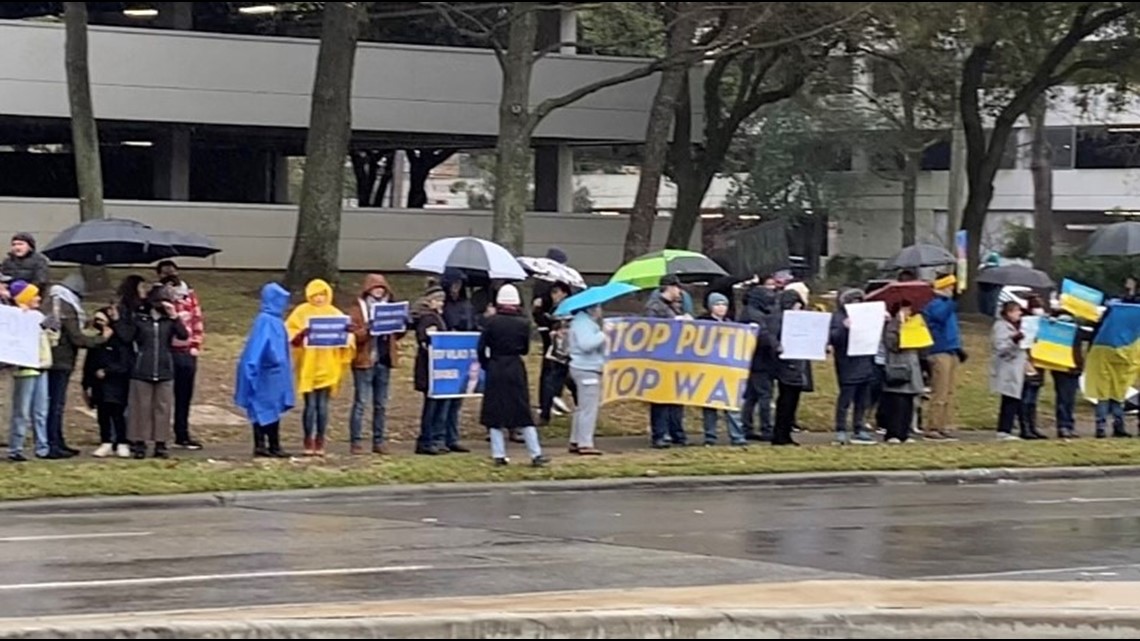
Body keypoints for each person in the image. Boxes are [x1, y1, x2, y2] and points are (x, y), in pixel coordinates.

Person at [115, 284, 188, 459]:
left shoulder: (169, 321)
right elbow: (127, 336)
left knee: (162, 407)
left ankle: (161, 443)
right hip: (142, 368)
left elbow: (183, 335)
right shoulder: (140, 318)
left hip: (164, 368)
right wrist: (118, 320)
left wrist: (174, 316)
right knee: (141, 407)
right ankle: (139, 442)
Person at [478, 284, 548, 467]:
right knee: (522, 410)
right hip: (515, 367)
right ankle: (535, 454)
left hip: (495, 366)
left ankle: (498, 454)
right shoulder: (524, 323)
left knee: (495, 412)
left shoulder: (490, 322)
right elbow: (525, 349)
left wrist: (487, 365)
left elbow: (480, 348)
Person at [285, 279, 355, 457]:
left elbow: (347, 340)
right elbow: (289, 335)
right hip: (308, 366)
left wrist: (348, 332)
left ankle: (320, 439)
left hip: (328, 365)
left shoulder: (334, 313)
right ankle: (308, 438)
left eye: (322, 294)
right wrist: (301, 335)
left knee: (323, 406)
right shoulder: (301, 312)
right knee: (310, 405)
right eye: (315, 295)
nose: (318, 298)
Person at [47, 273, 108, 459]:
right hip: (62, 361)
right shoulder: (67, 308)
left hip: (49, 358)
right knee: (56, 404)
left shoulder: (51, 302)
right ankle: (54, 443)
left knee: (50, 404)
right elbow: (77, 338)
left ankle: (54, 441)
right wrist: (102, 338)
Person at [346, 274, 405, 455]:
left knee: (381, 404)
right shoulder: (358, 309)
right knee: (361, 402)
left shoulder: (390, 307)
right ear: (368, 290)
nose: (379, 291)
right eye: (375, 288)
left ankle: (378, 441)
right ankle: (356, 441)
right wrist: (370, 328)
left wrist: (400, 326)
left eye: (382, 288)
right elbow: (354, 334)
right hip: (364, 361)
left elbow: (396, 336)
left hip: (383, 360)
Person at [234, 283, 294, 458]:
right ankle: (263, 445)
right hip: (266, 372)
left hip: (275, 373)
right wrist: (264, 363)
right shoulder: (266, 321)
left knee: (271, 407)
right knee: (263, 407)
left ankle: (272, 444)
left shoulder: (273, 321)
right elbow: (259, 348)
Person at [157, 262, 205, 451]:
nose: (170, 276)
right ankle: (159, 435)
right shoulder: (158, 296)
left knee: (184, 395)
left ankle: (182, 433)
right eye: (165, 273)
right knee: (162, 397)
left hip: (186, 352)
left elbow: (197, 320)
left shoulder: (189, 295)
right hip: (166, 352)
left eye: (172, 272)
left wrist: (195, 345)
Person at [7, 281, 58, 462]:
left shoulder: (37, 316)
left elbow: (50, 342)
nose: (38, 298)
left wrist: (51, 330)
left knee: (40, 410)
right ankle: (16, 448)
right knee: (22, 410)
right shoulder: (14, 318)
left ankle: (42, 447)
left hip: (41, 366)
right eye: (34, 295)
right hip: (25, 369)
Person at [81, 306, 132, 459]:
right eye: (96, 320)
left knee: (118, 413)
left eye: (102, 320)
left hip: (117, 383)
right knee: (102, 414)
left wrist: (108, 371)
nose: (99, 323)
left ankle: (122, 442)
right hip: (98, 385)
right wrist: (86, 385)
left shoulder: (120, 341)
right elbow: (88, 364)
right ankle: (106, 442)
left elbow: (125, 363)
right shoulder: (96, 342)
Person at [646, 274, 688, 448]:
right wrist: (674, 322)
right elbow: (651, 330)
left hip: (675, 358)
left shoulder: (674, 307)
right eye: (677, 287)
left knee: (676, 398)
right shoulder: (654, 307)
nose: (680, 291)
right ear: (669, 287)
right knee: (661, 399)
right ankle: (660, 434)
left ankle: (676, 433)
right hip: (660, 359)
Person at [829, 288, 877, 445]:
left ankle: (859, 427)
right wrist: (844, 328)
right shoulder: (838, 317)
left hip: (865, 361)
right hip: (847, 363)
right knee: (845, 399)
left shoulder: (867, 316)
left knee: (862, 400)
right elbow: (833, 338)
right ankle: (841, 428)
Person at [699, 292, 747, 447]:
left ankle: (737, 436)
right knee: (709, 408)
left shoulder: (731, 323)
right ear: (710, 306)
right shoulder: (701, 323)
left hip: (727, 372)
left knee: (732, 405)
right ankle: (710, 436)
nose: (721, 308)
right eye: (717, 304)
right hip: (708, 370)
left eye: (724, 305)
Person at [923, 273, 963, 440]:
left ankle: (943, 424)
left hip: (951, 350)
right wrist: (951, 303)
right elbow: (940, 317)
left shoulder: (948, 305)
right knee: (940, 390)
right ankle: (933, 426)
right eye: (949, 286)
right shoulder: (935, 304)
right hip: (939, 351)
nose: (952, 290)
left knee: (949, 391)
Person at [771, 290, 813, 446]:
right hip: (786, 365)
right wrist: (778, 347)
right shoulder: (779, 319)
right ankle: (780, 435)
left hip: (798, 364)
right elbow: (772, 337)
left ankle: (786, 433)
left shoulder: (800, 319)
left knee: (792, 402)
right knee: (786, 401)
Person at [879, 300, 924, 443]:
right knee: (896, 403)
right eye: (905, 310)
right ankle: (893, 433)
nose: (908, 313)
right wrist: (900, 327)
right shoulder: (892, 325)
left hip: (911, 365)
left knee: (908, 403)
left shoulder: (913, 324)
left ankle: (905, 432)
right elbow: (892, 344)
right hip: (898, 365)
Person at [737, 286, 777, 442]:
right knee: (764, 396)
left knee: (751, 397)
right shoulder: (757, 315)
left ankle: (747, 427)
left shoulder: (747, 312)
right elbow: (764, 337)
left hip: (751, 360)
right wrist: (776, 346)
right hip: (761, 360)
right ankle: (766, 428)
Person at [440, 269, 475, 449]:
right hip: (445, 356)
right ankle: (441, 436)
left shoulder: (466, 304)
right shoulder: (442, 304)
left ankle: (452, 437)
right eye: (454, 285)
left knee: (457, 399)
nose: (456, 288)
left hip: (463, 354)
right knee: (445, 398)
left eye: (459, 285)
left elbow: (472, 324)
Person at [412, 285, 449, 455]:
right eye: (438, 300)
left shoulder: (437, 317)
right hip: (429, 369)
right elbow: (425, 341)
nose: (441, 303)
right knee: (431, 406)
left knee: (438, 405)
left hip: (437, 369)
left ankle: (435, 438)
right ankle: (426, 440)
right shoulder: (428, 318)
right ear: (430, 301)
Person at [567, 303, 606, 456]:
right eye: (598, 307)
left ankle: (576, 439)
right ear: (591, 309)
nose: (600, 311)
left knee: (582, 407)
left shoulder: (580, 322)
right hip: (587, 368)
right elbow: (586, 344)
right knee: (589, 408)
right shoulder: (584, 324)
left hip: (582, 367)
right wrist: (603, 334)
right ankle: (585, 443)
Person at [535, 281, 574, 426]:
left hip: (565, 352)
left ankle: (548, 409)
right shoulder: (554, 308)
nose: (554, 296)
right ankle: (546, 410)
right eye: (553, 293)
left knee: (559, 380)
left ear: (564, 293)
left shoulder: (567, 309)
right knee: (553, 380)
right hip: (556, 352)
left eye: (557, 292)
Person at [991, 300, 1028, 441]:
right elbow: (1000, 346)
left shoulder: (1017, 326)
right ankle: (1003, 430)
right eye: (1017, 311)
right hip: (1007, 366)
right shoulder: (1001, 326)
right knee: (1009, 398)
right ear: (1009, 312)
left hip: (1016, 366)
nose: (1019, 313)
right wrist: (1014, 341)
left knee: (1014, 398)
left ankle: (1010, 428)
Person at [1051, 312, 1086, 440]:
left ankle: (1068, 425)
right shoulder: (1059, 332)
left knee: (1069, 400)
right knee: (1064, 399)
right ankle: (1064, 426)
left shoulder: (1075, 331)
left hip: (1073, 368)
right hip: (1063, 368)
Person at [1018, 296, 1048, 440]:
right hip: (1028, 362)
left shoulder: (1042, 323)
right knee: (1027, 397)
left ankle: (1032, 426)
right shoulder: (1025, 323)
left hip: (1039, 362)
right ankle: (1025, 428)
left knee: (1033, 399)